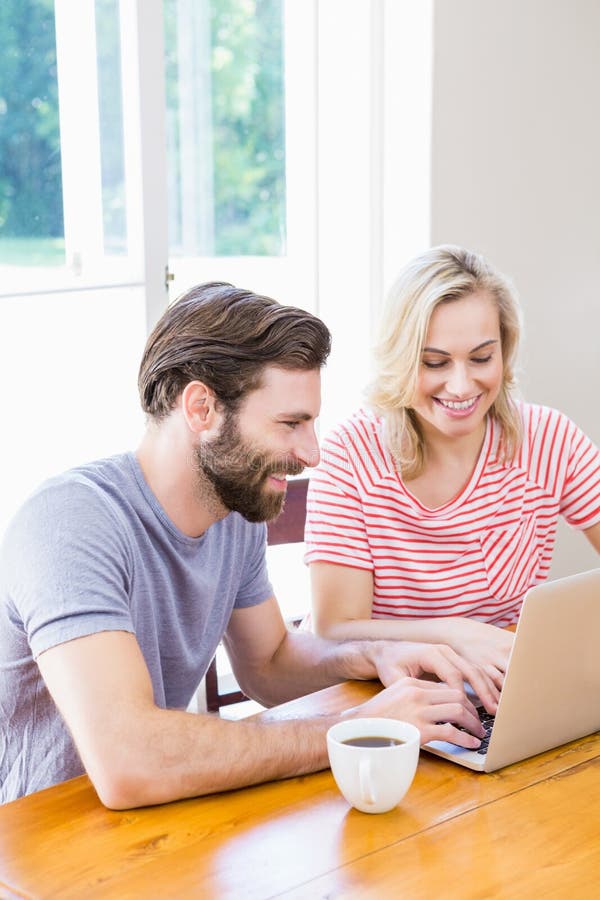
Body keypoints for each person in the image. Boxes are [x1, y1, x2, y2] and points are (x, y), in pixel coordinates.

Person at [0, 282, 499, 808]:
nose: (312, 453)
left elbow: (269, 664)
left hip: (157, 828)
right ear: (201, 409)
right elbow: (130, 761)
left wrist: (373, 654)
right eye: (291, 423)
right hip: (40, 853)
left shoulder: (232, 510)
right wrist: (356, 726)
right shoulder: (71, 521)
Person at [305, 245, 600, 685]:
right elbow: (334, 631)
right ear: (401, 359)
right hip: (376, 698)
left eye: (481, 358)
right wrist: (455, 634)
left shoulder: (549, 440)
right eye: (434, 362)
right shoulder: (352, 454)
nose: (461, 386)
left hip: (499, 691)